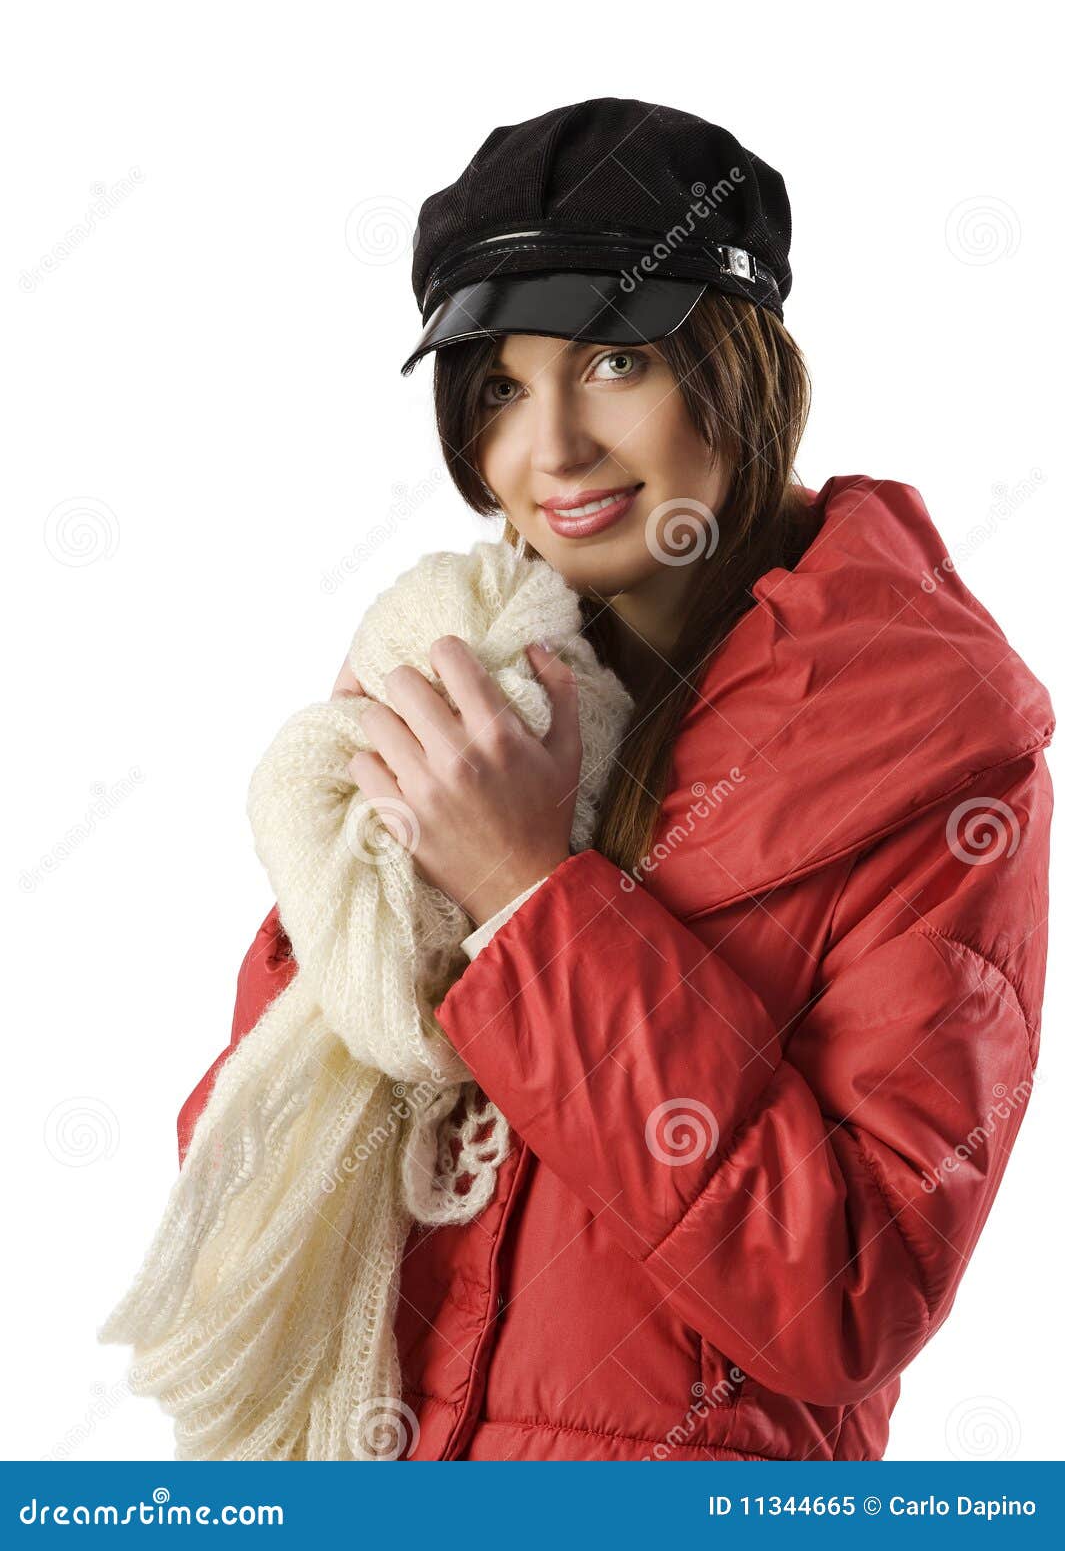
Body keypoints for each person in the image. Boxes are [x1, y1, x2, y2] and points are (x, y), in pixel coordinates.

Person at [177, 99, 1054, 1461]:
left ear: (742, 365)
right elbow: (242, 1178)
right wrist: (364, 886)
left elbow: (847, 1291)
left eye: (614, 361)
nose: (551, 451)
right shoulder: (469, 677)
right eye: (501, 386)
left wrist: (531, 901)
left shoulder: (925, 746)